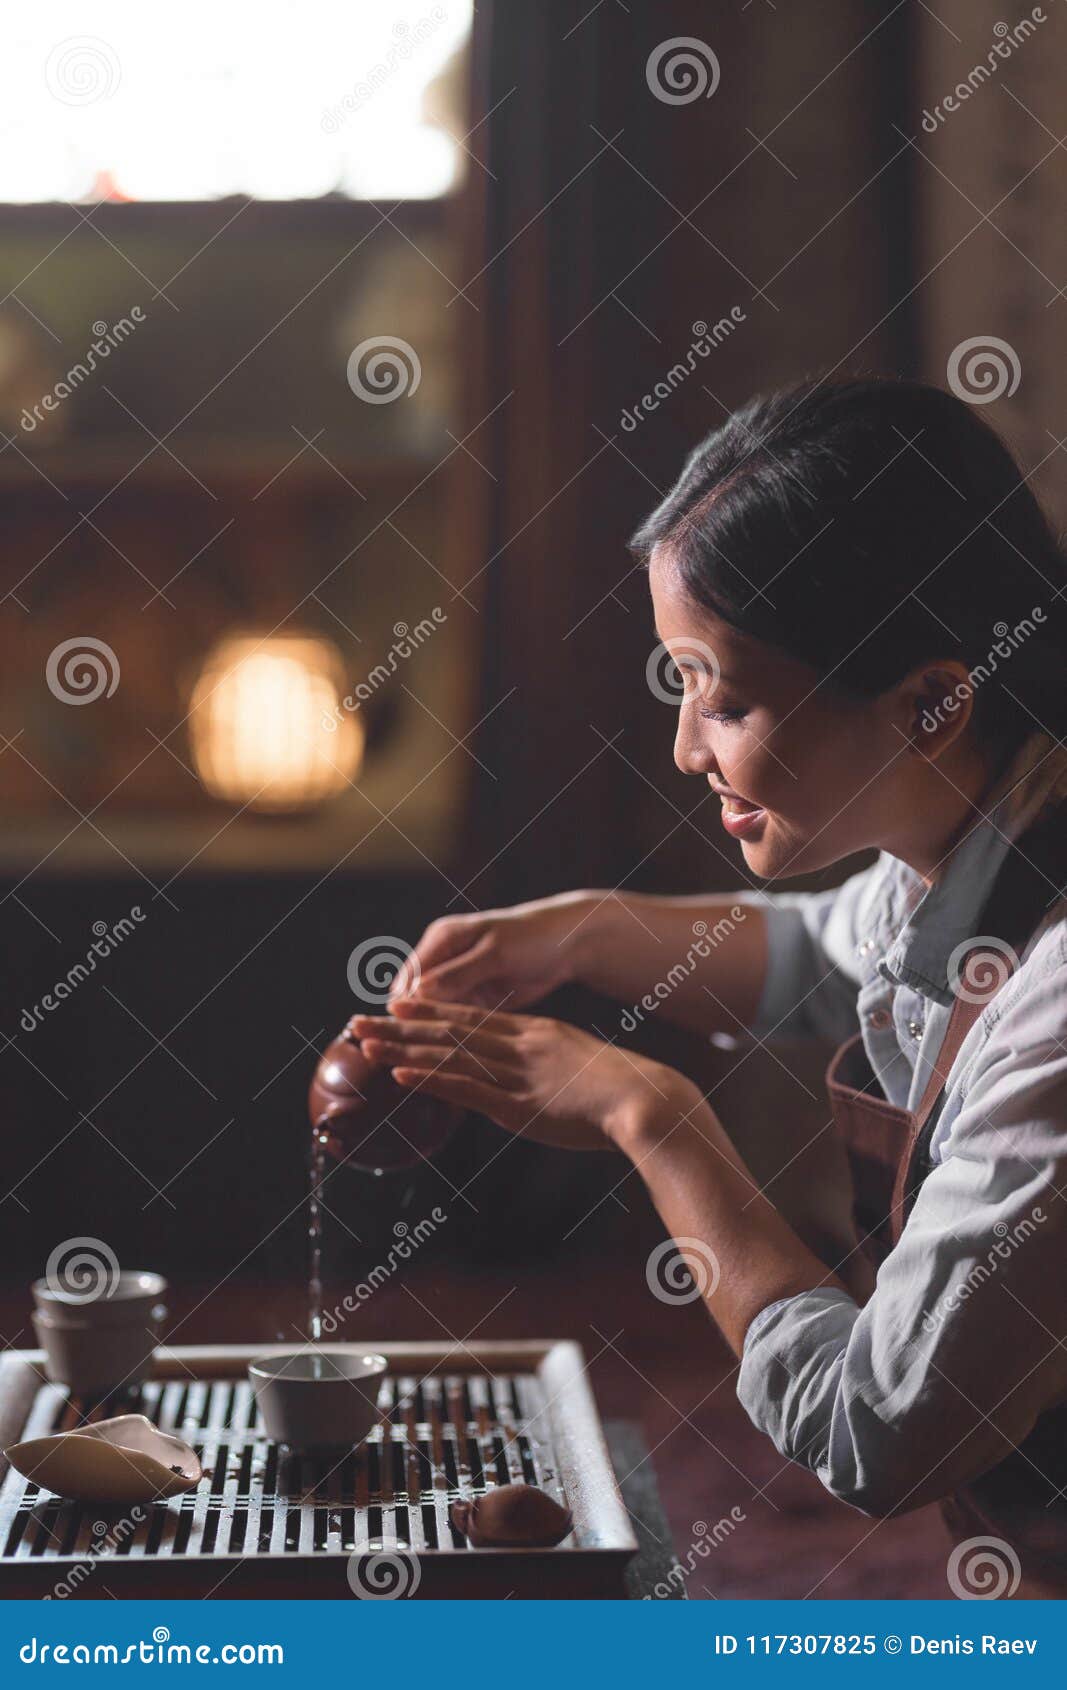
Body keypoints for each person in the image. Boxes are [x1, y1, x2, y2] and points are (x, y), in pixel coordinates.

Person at [350, 376, 1067, 1590]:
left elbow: (876, 1431)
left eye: (725, 698)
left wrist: (654, 1118)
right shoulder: (987, 829)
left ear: (934, 701)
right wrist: (576, 934)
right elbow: (827, 957)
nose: (686, 747)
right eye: (679, 683)